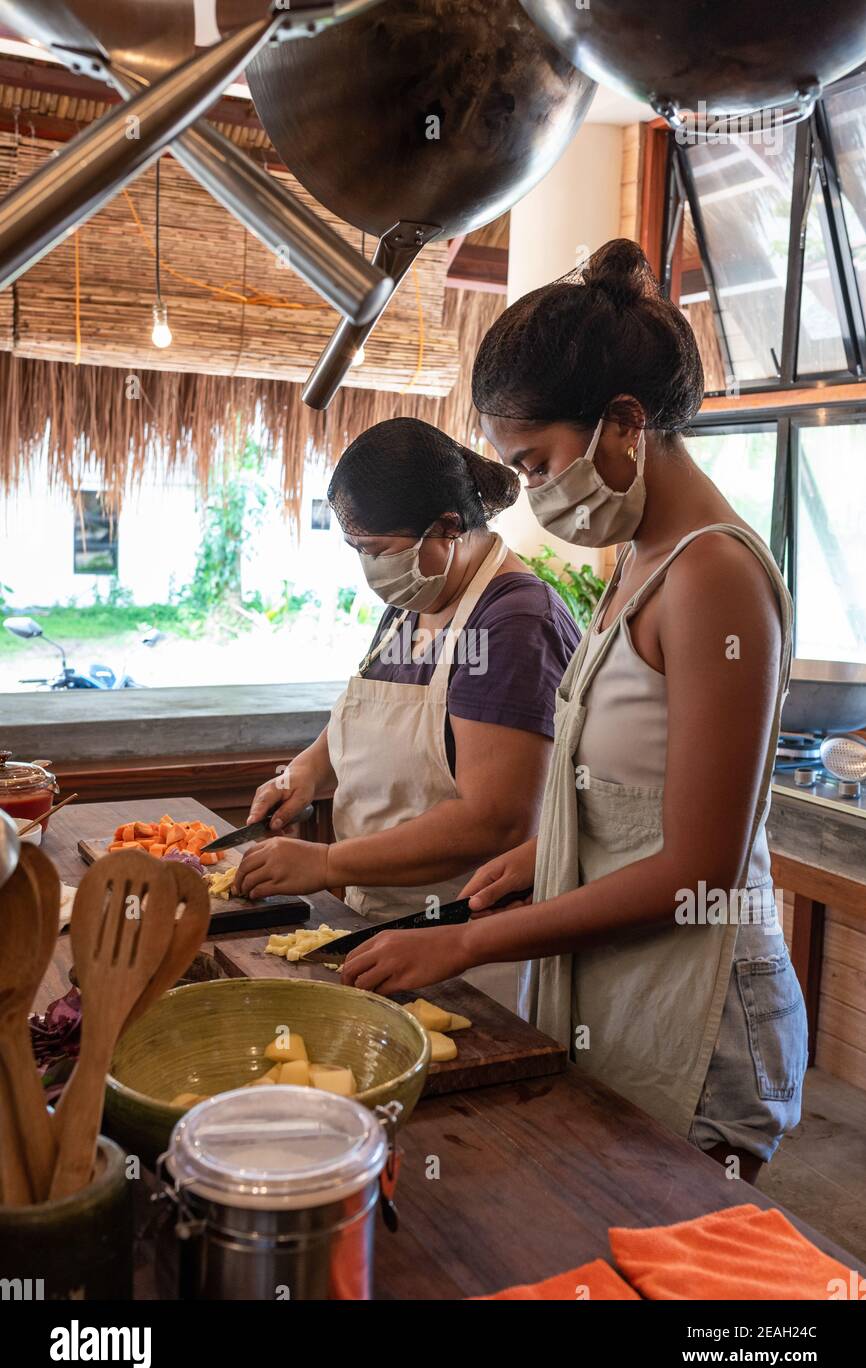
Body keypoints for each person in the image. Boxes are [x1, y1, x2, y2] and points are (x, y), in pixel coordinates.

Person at [341, 240, 808, 1180]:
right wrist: (549, 849)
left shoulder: (712, 575)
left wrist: (466, 940)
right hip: (628, 978)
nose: (537, 493)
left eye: (538, 462)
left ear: (625, 424)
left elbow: (695, 872)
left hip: (701, 1007)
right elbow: (632, 787)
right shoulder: (642, 559)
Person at [236, 417, 580, 1004]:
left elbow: (495, 821)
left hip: (465, 945)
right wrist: (306, 773)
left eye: (377, 550)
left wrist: (325, 864)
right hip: (378, 919)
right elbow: (369, 713)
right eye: (357, 550)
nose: (369, 569)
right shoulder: (415, 597)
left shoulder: (515, 622)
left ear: (447, 527)